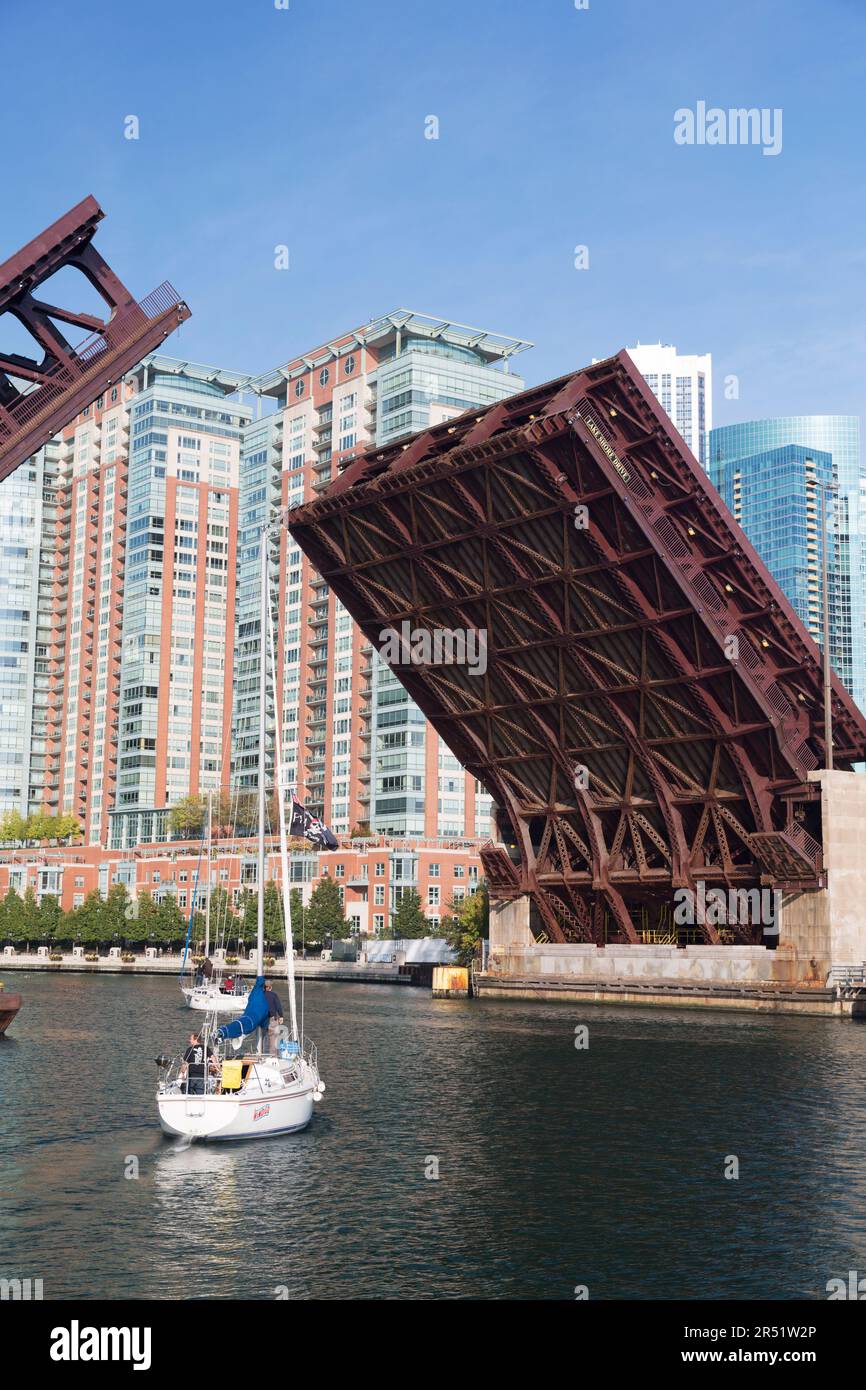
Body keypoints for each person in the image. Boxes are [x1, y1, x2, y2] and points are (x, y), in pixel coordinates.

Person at [180, 1031, 218, 1095]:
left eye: (191, 1039)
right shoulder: (206, 1048)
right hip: (202, 1075)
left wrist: (183, 1073)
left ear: (195, 1039)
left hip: (191, 1076)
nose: (190, 1041)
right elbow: (212, 1057)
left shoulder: (189, 1049)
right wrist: (217, 1066)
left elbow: (185, 1063)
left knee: (189, 1094)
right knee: (201, 1095)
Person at [263, 981, 284, 1056]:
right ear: (270, 987)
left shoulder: (260, 995)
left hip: (261, 1020)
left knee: (262, 1037)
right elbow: (278, 1006)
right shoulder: (274, 995)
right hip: (272, 1019)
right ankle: (272, 1056)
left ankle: (261, 1054)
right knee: (273, 1038)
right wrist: (281, 1016)